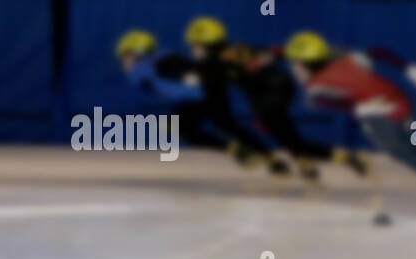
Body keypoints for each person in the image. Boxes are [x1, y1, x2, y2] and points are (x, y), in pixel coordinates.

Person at [283, 30, 416, 212]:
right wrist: (411, 69)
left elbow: (329, 102)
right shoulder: (350, 61)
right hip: (404, 106)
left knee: (410, 158)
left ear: (302, 64)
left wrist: (357, 105)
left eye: (294, 64)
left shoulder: (316, 89)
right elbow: (378, 51)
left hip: (380, 120)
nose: (293, 69)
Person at [183, 17, 368, 181]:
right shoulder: (235, 50)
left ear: (203, 45)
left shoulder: (212, 62)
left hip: (269, 91)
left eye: (194, 46)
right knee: (284, 134)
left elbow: (215, 100)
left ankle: (340, 157)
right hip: (276, 87)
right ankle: (304, 161)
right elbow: (277, 51)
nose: (193, 50)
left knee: (281, 133)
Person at [115, 27, 287, 173]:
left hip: (204, 94)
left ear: (138, 54)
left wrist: (197, 76)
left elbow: (183, 68)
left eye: (126, 57)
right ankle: (255, 154)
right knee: (218, 126)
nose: (124, 62)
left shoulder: (152, 64)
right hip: (201, 95)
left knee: (213, 126)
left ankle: (244, 152)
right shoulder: (155, 62)